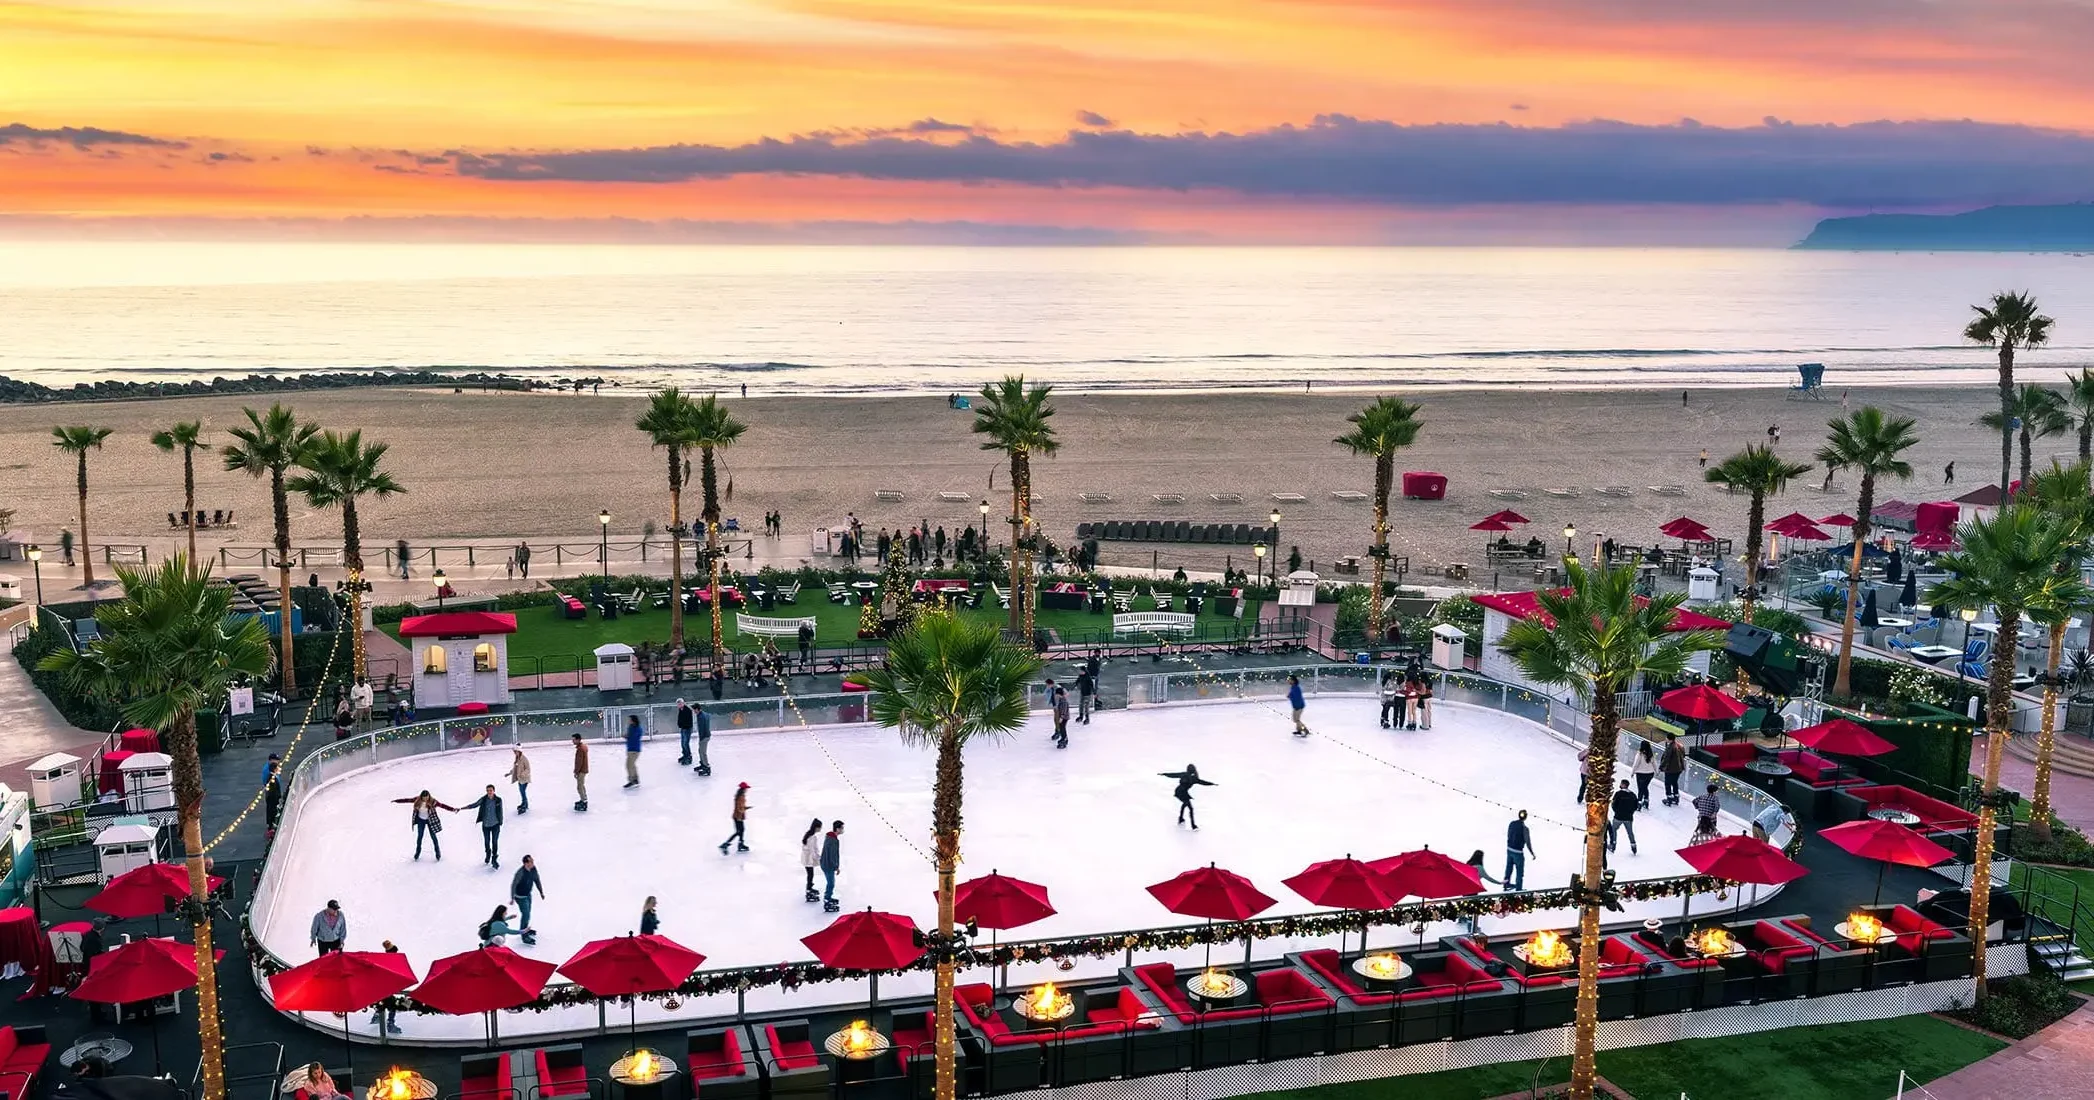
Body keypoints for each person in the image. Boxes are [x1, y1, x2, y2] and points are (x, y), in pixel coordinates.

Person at [392, 789, 456, 860]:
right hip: (421, 820)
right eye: (424, 798)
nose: (425, 799)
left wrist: (453, 809)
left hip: (430, 821)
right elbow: (407, 800)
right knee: (420, 837)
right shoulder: (417, 800)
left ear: (429, 796)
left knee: (433, 836)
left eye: (427, 797)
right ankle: (417, 852)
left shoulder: (433, 802)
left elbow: (443, 805)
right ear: (421, 797)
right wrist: (397, 801)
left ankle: (438, 852)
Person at [368, 941, 404, 1034]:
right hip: (389, 987)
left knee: (382, 1002)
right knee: (392, 1005)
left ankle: (377, 1016)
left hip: (382, 987)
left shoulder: (384, 960)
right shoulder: (394, 961)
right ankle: (390, 1023)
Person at [464, 783, 504, 867]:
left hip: (495, 825)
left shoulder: (498, 800)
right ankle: (488, 853)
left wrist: (500, 821)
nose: (489, 792)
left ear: (494, 791)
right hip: (486, 825)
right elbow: (474, 805)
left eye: (491, 790)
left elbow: (500, 811)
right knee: (486, 841)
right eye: (488, 791)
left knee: (494, 842)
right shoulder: (484, 799)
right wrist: (462, 808)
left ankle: (494, 858)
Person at [1461, 850, 1502, 931]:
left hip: (1464, 888)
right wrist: (1500, 883)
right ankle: (1471, 926)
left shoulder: (1468, 863)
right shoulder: (1479, 867)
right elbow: (1488, 878)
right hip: (1473, 889)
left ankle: (1461, 917)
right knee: (1472, 907)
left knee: (1465, 903)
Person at [509, 855, 544, 933]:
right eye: (531, 861)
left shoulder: (533, 869)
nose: (533, 863)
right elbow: (514, 885)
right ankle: (523, 933)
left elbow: (537, 880)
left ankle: (526, 929)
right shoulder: (520, 873)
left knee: (528, 914)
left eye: (533, 861)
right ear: (526, 863)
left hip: (528, 894)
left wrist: (541, 892)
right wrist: (512, 898)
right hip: (520, 897)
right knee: (526, 915)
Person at [1504, 810, 1535, 891]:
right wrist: (1532, 853)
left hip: (1509, 849)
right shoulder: (1525, 829)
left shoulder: (1511, 823)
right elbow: (1528, 842)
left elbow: (1508, 834)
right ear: (1526, 817)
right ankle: (1518, 889)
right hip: (1518, 852)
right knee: (1519, 872)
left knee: (1508, 869)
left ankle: (1506, 884)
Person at [1608, 779, 1640, 855]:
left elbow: (1613, 804)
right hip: (1628, 817)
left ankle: (1613, 844)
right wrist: (1630, 812)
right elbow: (1636, 806)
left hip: (1618, 816)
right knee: (1630, 832)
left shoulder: (1618, 794)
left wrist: (1617, 811)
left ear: (1623, 785)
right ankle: (1633, 845)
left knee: (1614, 830)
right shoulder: (1633, 795)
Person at [719, 781, 753, 853]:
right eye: (746, 788)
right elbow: (738, 808)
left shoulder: (741, 795)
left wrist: (746, 808)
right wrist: (740, 815)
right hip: (738, 816)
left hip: (738, 816)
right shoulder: (740, 797)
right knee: (739, 831)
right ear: (743, 789)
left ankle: (740, 844)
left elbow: (740, 806)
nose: (747, 790)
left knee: (741, 830)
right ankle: (726, 844)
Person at [819, 820, 844, 911]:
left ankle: (828, 897)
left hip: (825, 863)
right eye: (842, 828)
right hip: (828, 865)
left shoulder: (830, 837)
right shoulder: (833, 840)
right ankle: (827, 899)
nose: (843, 830)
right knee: (831, 883)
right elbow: (832, 855)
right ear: (837, 829)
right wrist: (836, 867)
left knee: (830, 882)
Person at [800, 817, 825, 901]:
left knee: (810, 874)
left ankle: (809, 888)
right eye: (820, 827)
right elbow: (812, 850)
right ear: (816, 827)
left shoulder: (809, 835)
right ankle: (809, 890)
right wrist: (818, 858)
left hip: (806, 858)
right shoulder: (812, 837)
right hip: (808, 859)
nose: (821, 829)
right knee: (810, 874)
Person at [1659, 733, 1686, 806]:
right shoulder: (1680, 745)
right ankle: (1676, 797)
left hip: (1671, 769)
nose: (1665, 739)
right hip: (1679, 768)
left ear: (1669, 739)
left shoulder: (1670, 747)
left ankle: (1669, 798)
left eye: (1666, 738)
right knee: (1674, 782)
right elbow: (1683, 755)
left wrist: (1661, 767)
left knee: (1667, 783)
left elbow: (1666, 758)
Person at [505, 748, 531, 814]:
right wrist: (509, 773)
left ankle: (525, 804)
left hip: (524, 779)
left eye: (515, 751)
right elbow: (515, 768)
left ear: (519, 751)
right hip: (520, 779)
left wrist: (522, 774)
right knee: (522, 792)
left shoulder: (524, 759)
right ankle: (524, 803)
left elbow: (528, 769)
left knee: (522, 792)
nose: (514, 753)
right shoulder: (517, 759)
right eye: (514, 751)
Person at [1632, 741, 1656, 810]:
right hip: (1650, 774)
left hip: (1641, 774)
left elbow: (1636, 764)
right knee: (1645, 787)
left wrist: (1633, 772)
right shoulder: (1651, 754)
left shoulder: (1640, 754)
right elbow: (1654, 763)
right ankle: (1646, 801)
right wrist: (1656, 771)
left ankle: (1639, 803)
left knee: (1641, 788)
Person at [691, 702, 713, 774]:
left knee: (703, 752)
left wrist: (701, 738)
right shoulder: (704, 714)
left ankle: (707, 767)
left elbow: (702, 728)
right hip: (706, 735)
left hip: (704, 736)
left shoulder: (700, 717)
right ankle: (703, 764)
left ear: (697, 709)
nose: (694, 711)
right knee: (700, 751)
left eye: (694, 710)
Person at [623, 713, 643, 788]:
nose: (629, 721)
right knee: (631, 765)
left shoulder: (638, 728)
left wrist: (627, 736)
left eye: (630, 720)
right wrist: (626, 736)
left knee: (629, 765)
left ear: (633, 720)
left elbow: (633, 737)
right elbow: (629, 736)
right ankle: (635, 779)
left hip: (635, 750)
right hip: (630, 748)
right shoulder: (630, 727)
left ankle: (632, 780)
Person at [571, 732, 590, 811]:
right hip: (583, 769)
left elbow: (579, 762)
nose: (572, 741)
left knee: (579, 786)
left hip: (581, 770)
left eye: (574, 740)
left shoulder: (580, 749)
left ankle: (584, 801)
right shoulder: (583, 747)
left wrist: (576, 772)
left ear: (578, 740)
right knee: (581, 785)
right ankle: (584, 799)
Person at [676, 698, 696, 765]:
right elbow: (680, 718)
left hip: (687, 729)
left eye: (680, 704)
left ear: (683, 703)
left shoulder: (687, 710)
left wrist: (683, 725)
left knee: (685, 743)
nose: (679, 705)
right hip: (683, 728)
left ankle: (688, 757)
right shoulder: (680, 709)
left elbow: (688, 721)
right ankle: (685, 755)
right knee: (682, 743)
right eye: (678, 704)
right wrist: (679, 725)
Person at [1051, 684, 1071, 749]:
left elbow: (1064, 710)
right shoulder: (1061, 699)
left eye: (1057, 694)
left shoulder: (1064, 701)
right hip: (1062, 716)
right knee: (1061, 727)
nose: (1056, 695)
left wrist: (1061, 717)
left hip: (1064, 717)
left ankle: (1065, 738)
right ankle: (1063, 737)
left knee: (1062, 728)